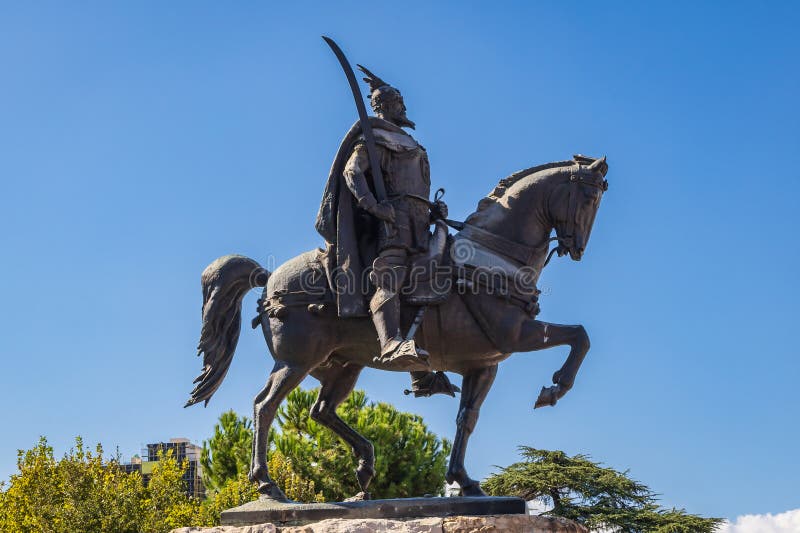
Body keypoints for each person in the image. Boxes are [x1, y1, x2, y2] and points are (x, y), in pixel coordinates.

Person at [315, 65, 458, 397]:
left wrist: (433, 210)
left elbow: (411, 187)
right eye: (398, 102)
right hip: (393, 226)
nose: (403, 107)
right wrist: (375, 206)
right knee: (391, 276)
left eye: (403, 101)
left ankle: (423, 372)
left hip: (420, 223)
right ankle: (391, 342)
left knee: (436, 277)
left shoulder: (408, 141)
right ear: (385, 106)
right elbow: (353, 173)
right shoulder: (375, 137)